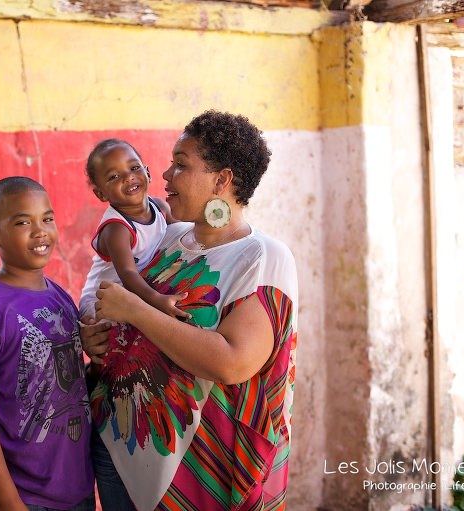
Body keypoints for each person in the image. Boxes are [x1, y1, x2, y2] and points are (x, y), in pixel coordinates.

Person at [82, 111, 298, 511]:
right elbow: (112, 300)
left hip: (196, 474)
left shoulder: (260, 257)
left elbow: (232, 363)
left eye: (181, 165)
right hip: (117, 451)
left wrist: (136, 312)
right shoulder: (169, 235)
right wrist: (94, 336)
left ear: (222, 179)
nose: (164, 175)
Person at [0, 177, 95, 511]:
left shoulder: (60, 298)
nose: (40, 231)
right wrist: (8, 501)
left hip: (75, 491)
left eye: (47, 218)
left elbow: (66, 384)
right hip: (18, 496)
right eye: (23, 222)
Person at [78, 138, 190, 321]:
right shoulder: (117, 229)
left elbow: (184, 234)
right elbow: (128, 274)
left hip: (134, 292)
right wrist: (157, 299)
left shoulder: (161, 207)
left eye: (134, 168)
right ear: (101, 194)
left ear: (147, 172)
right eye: (114, 177)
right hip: (100, 298)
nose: (128, 177)